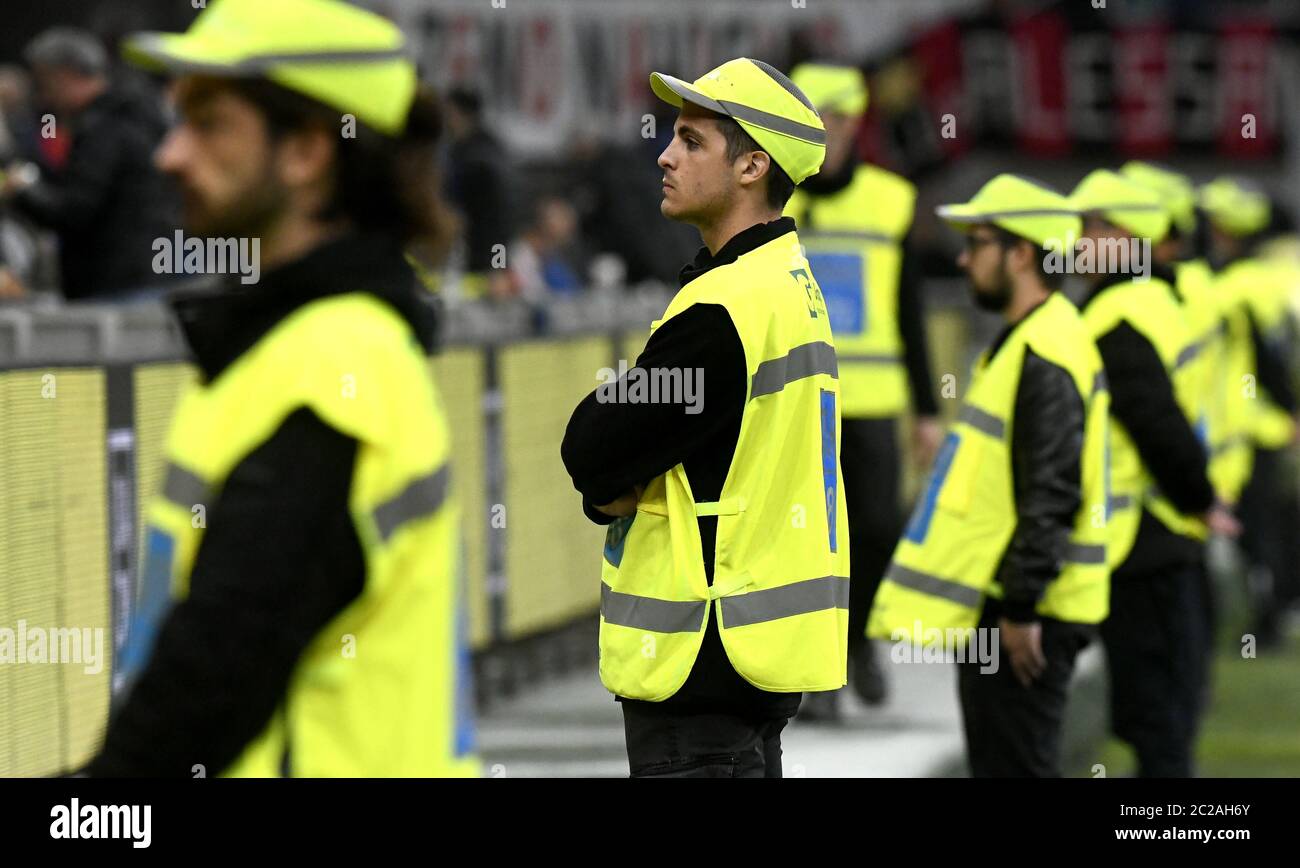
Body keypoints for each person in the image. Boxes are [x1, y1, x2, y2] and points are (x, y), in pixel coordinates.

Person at [84, 0, 475, 777]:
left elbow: (211, 682)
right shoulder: (324, 346)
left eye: (208, 123)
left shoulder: (330, 371)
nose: (170, 156)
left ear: (304, 152)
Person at [561, 57, 849, 778]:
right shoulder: (786, 282)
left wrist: (612, 481)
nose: (665, 154)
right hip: (750, 657)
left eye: (691, 142)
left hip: (699, 661)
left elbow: (590, 445)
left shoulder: (724, 311)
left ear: (753, 165)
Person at [868, 175, 1108, 776]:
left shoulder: (1045, 349)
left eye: (977, 242)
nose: (963, 257)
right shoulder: (1032, 340)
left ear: (1021, 254)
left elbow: (1053, 490)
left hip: (1028, 616)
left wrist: (1022, 605)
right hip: (1015, 607)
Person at [1070, 169, 1239, 777]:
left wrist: (1197, 495)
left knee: (1158, 722)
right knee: (1168, 711)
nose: (1076, 240)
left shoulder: (1116, 315)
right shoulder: (1157, 298)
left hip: (1144, 540)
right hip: (1169, 533)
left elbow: (1156, 421)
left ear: (1123, 235)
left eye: (1089, 227)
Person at [784, 62, 941, 716]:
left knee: (875, 528)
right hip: (793, 400)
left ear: (856, 124)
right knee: (805, 542)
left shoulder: (889, 200)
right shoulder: (771, 194)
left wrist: (928, 410)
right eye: (817, 117)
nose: (830, 130)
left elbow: (909, 307)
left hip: (874, 401)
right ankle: (817, 672)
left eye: (840, 119)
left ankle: (857, 643)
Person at [1, 27, 176, 301]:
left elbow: (75, 209)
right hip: (141, 278)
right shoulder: (125, 115)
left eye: (44, 81)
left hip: (120, 286)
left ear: (66, 74)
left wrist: (23, 191)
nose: (42, 96)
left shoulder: (106, 129)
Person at [1200, 178, 1300, 651]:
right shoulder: (1260, 282)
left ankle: (1267, 620)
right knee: (1263, 526)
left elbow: (1266, 360)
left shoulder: (1233, 289)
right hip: (1258, 426)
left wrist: (1286, 411)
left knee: (1255, 530)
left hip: (1243, 427)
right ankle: (1268, 615)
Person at [444, 86, 514, 301]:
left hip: (478, 266)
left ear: (457, 113)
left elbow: (499, 217)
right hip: (476, 261)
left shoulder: (478, 160)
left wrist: (497, 267)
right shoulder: (481, 150)